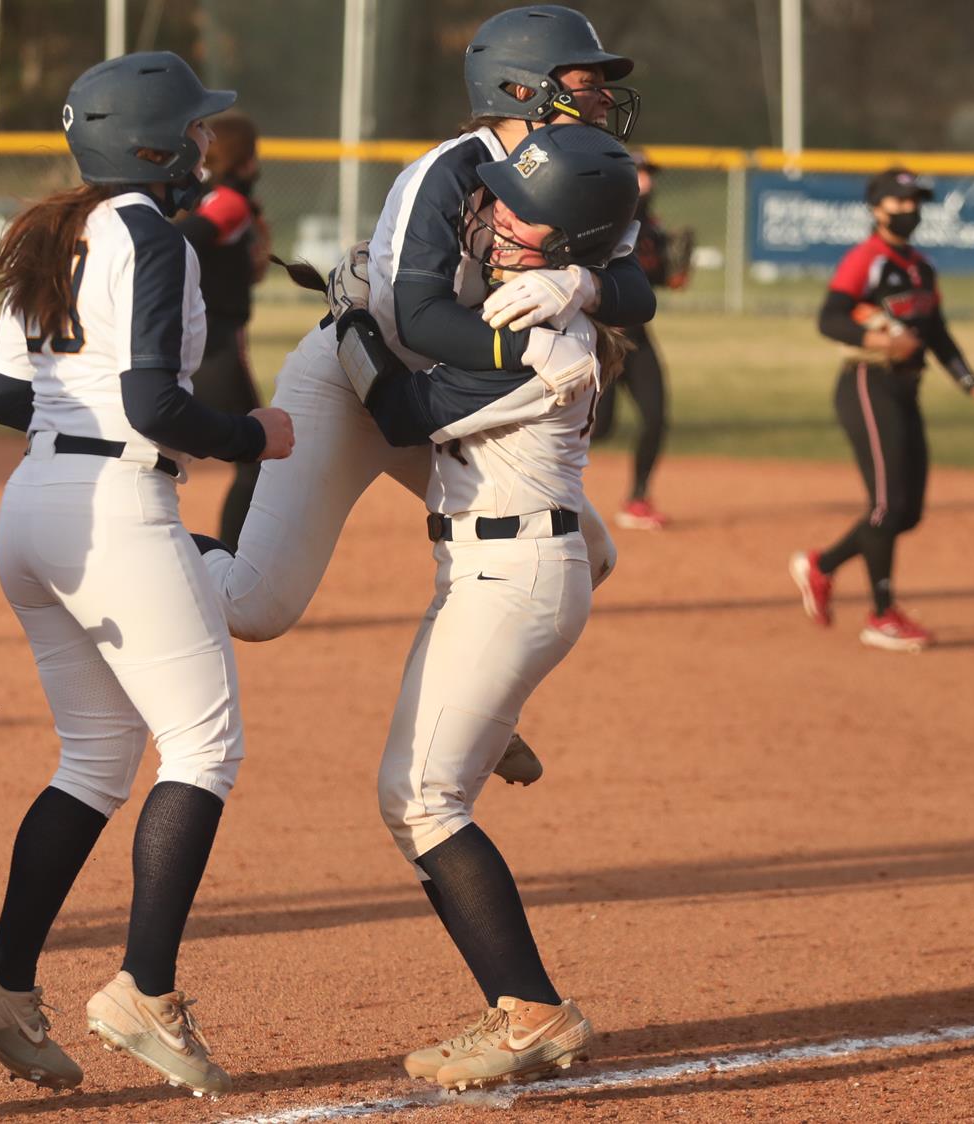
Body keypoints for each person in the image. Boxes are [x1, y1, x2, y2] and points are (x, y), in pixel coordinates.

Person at [0, 53, 290, 1098]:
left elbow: (13, 401)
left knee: (95, 757)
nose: (200, 144)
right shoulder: (152, 234)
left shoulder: (51, 228)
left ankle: (4, 981)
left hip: (34, 506)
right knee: (202, 742)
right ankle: (144, 985)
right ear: (149, 145)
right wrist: (250, 434)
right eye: (188, 131)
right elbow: (151, 401)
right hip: (115, 505)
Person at [201, 4, 652, 789]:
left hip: (457, 397)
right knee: (254, 607)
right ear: (519, 89)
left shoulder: (582, 168)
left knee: (595, 553)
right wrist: (528, 350)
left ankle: (477, 706)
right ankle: (144, 558)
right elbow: (417, 318)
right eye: (582, 82)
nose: (600, 99)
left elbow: (634, 290)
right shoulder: (445, 172)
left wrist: (578, 279)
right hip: (355, 378)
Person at [329, 124, 636, 1091]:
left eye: (524, 211)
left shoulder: (542, 337)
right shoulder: (529, 305)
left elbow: (398, 414)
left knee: (420, 798)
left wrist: (348, 325)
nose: (499, 212)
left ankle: (531, 1011)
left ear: (572, 248)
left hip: (513, 577)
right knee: (421, 788)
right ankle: (491, 724)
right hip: (494, 570)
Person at [787, 167, 974, 653]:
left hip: (906, 391)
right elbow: (830, 317)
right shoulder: (866, 259)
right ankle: (882, 615)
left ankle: (821, 566)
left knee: (907, 512)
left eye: (916, 202)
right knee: (887, 507)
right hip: (868, 384)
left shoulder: (920, 267)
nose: (910, 210)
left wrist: (973, 386)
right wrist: (879, 339)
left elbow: (937, 334)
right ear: (876, 207)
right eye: (900, 201)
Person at [175, 112, 270, 548]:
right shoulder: (229, 201)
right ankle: (230, 564)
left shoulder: (210, 195)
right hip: (212, 349)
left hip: (211, 343)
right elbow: (180, 242)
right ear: (247, 161)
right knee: (256, 457)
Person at [593, 150, 686, 530]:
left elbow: (654, 277)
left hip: (638, 338)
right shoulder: (603, 220)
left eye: (649, 173)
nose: (647, 180)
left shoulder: (653, 226)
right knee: (599, 427)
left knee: (656, 417)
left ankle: (638, 498)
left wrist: (672, 275)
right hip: (603, 336)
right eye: (640, 172)